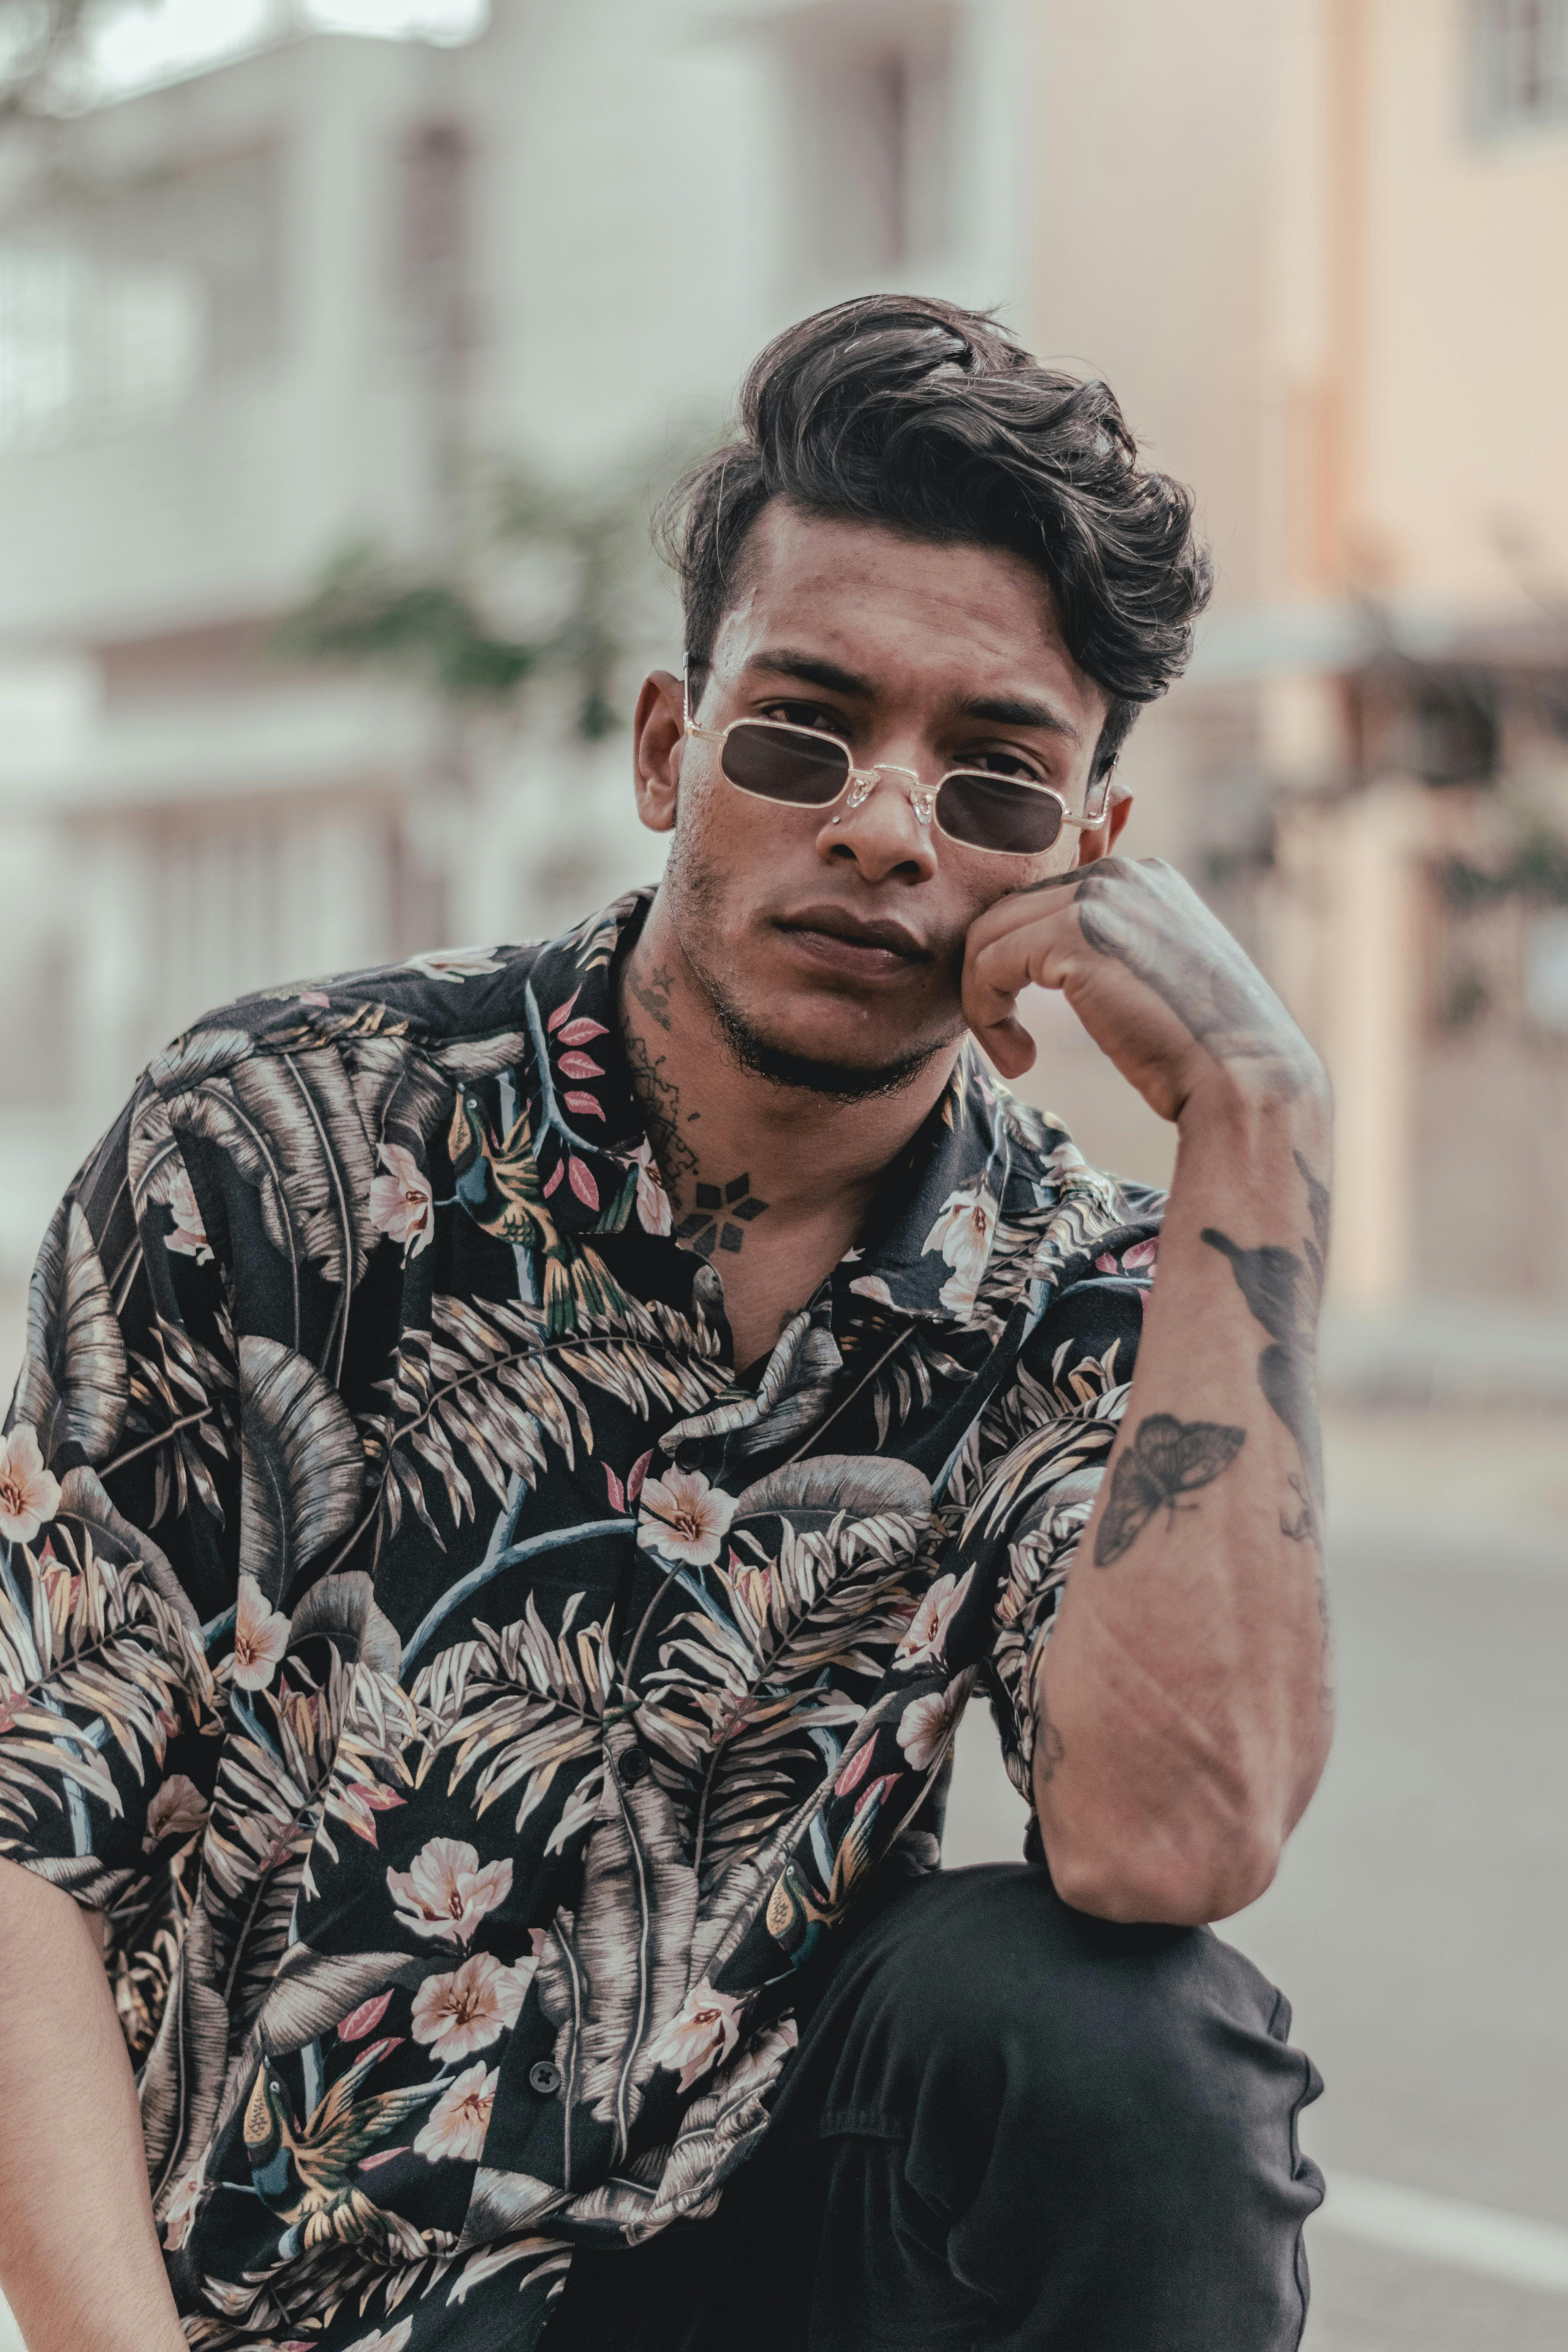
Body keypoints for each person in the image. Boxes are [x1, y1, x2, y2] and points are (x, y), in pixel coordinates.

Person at [0, 296, 1330, 2352]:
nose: (887, 824)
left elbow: (1172, 1846)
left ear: (1092, 854)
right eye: (803, 734)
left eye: (993, 783)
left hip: (747, 2280)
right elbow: (28, 1846)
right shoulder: (277, 1142)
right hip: (295, 2314)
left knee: (1136, 2045)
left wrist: (1254, 1122)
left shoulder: (1086, 1294)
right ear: (664, 749)